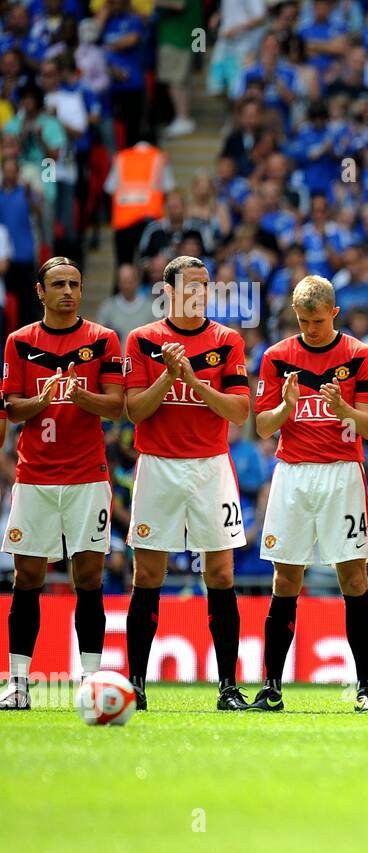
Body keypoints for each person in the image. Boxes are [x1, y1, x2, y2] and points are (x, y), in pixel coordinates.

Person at [122, 255, 252, 711]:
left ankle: (229, 688)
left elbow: (239, 412)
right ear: (169, 291)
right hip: (158, 465)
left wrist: (194, 382)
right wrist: (167, 376)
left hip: (210, 467)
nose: (201, 291)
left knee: (220, 573)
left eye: (206, 284)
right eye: (192, 284)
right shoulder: (143, 340)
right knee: (148, 575)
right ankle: (136, 685)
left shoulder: (227, 341)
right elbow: (134, 411)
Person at [249, 276, 368, 713]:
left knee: (354, 579)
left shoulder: (360, 355)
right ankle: (271, 687)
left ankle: (365, 688)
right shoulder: (276, 357)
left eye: (319, 321)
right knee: (285, 580)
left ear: (335, 313)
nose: (310, 329)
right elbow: (262, 427)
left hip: (342, 475)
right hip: (292, 475)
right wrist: (286, 408)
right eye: (303, 321)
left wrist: (344, 409)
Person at [1, 258, 123, 710]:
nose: (68, 291)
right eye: (58, 284)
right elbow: (12, 410)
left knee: (88, 576)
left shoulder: (103, 339)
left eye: (74, 283)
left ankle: (90, 681)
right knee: (27, 576)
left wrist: (80, 396)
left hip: (87, 477)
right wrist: (43, 399)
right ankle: (18, 683)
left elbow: (116, 407)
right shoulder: (19, 342)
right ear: (40, 291)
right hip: (34, 478)